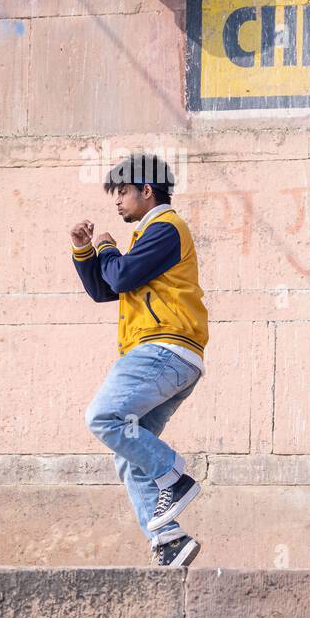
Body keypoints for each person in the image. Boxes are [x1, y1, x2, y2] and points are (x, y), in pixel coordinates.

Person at [70, 153, 209, 566]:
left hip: (163, 350)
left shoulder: (166, 227)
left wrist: (107, 247)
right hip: (167, 357)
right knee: (128, 450)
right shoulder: (149, 238)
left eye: (123, 192)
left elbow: (121, 275)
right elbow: (105, 289)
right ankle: (168, 539)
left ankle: (173, 476)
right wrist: (83, 251)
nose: (117, 201)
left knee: (102, 416)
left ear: (147, 191)